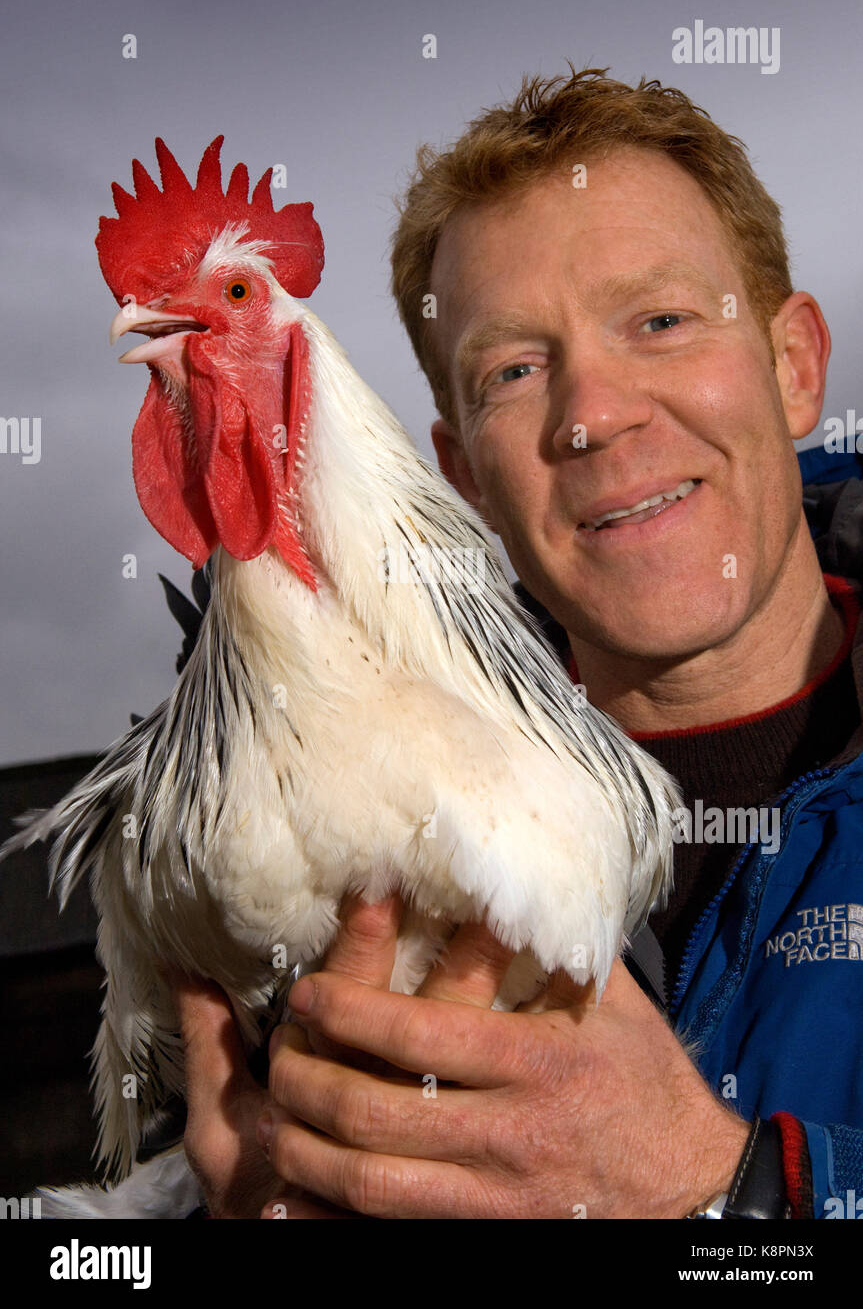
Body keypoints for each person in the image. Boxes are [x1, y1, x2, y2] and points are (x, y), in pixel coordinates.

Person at [174, 67, 863, 1219]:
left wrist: (729, 1195)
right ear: (464, 477)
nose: (591, 413)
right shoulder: (327, 849)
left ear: (793, 367)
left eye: (659, 320)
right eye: (514, 370)